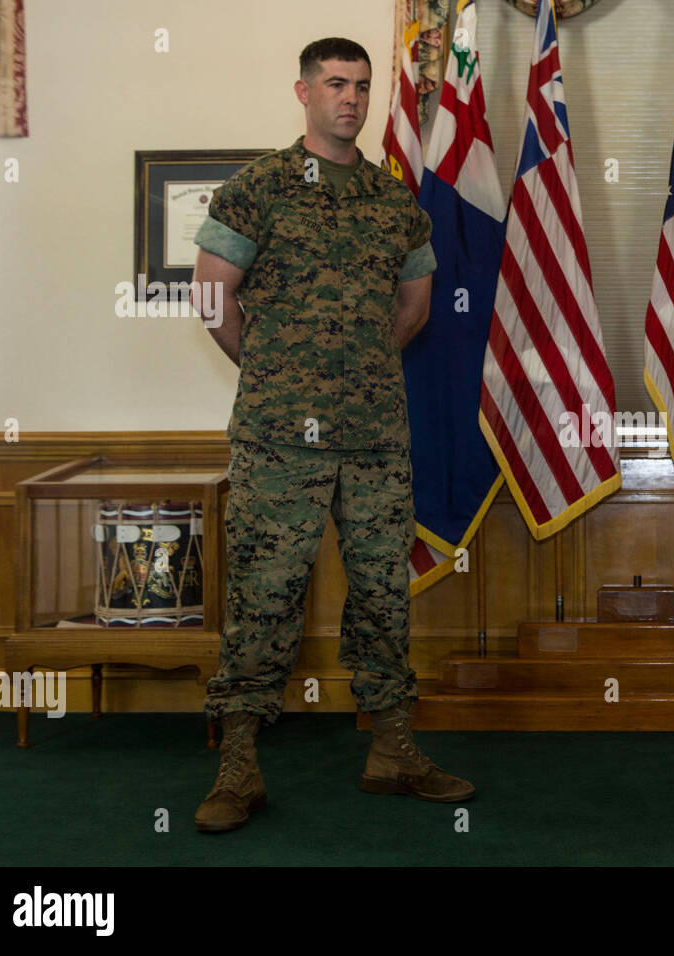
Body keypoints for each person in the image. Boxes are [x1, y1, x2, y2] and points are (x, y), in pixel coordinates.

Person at [188, 37, 473, 834]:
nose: (350, 98)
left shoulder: (394, 204)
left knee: (383, 594)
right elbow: (213, 301)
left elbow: (413, 305)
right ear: (304, 92)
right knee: (264, 596)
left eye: (360, 86)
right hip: (280, 438)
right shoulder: (258, 190)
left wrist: (357, 372)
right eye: (335, 84)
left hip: (376, 438)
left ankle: (392, 750)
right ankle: (238, 768)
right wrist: (279, 372)